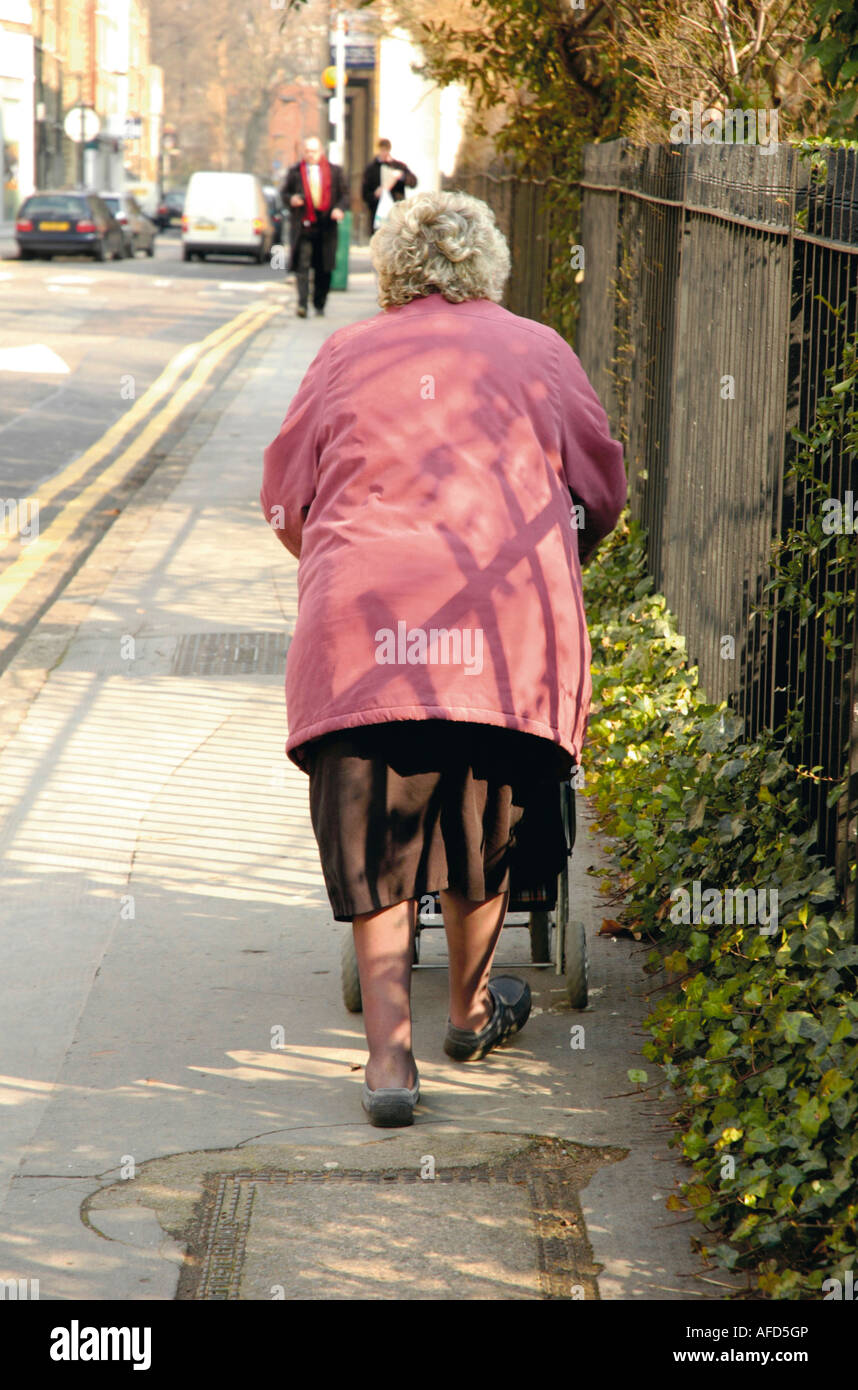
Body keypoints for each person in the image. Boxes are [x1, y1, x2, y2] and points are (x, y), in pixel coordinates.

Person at [260, 190, 626, 1128]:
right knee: (482, 823)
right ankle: (469, 1010)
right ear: (488, 266)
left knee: (378, 841)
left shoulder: (345, 352)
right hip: (498, 631)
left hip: (364, 630)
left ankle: (389, 1066)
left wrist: (334, 559)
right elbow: (600, 487)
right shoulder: (539, 350)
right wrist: (563, 558)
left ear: (393, 269)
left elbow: (287, 496)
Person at [280, 136, 347, 317]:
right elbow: (284, 193)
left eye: (314, 151)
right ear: (304, 152)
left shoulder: (335, 171)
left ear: (321, 152)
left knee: (323, 268)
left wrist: (339, 209)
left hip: (326, 226)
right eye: (307, 151)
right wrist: (291, 199)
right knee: (302, 266)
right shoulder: (295, 172)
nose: (310, 155)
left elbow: (344, 195)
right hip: (304, 226)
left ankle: (319, 303)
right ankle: (302, 304)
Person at [361, 138, 417, 232]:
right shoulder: (371, 169)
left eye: (386, 150)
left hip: (396, 210)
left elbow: (413, 182)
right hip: (377, 213)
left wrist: (402, 177)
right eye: (382, 150)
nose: (384, 153)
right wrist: (375, 194)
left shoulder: (399, 166)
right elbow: (364, 194)